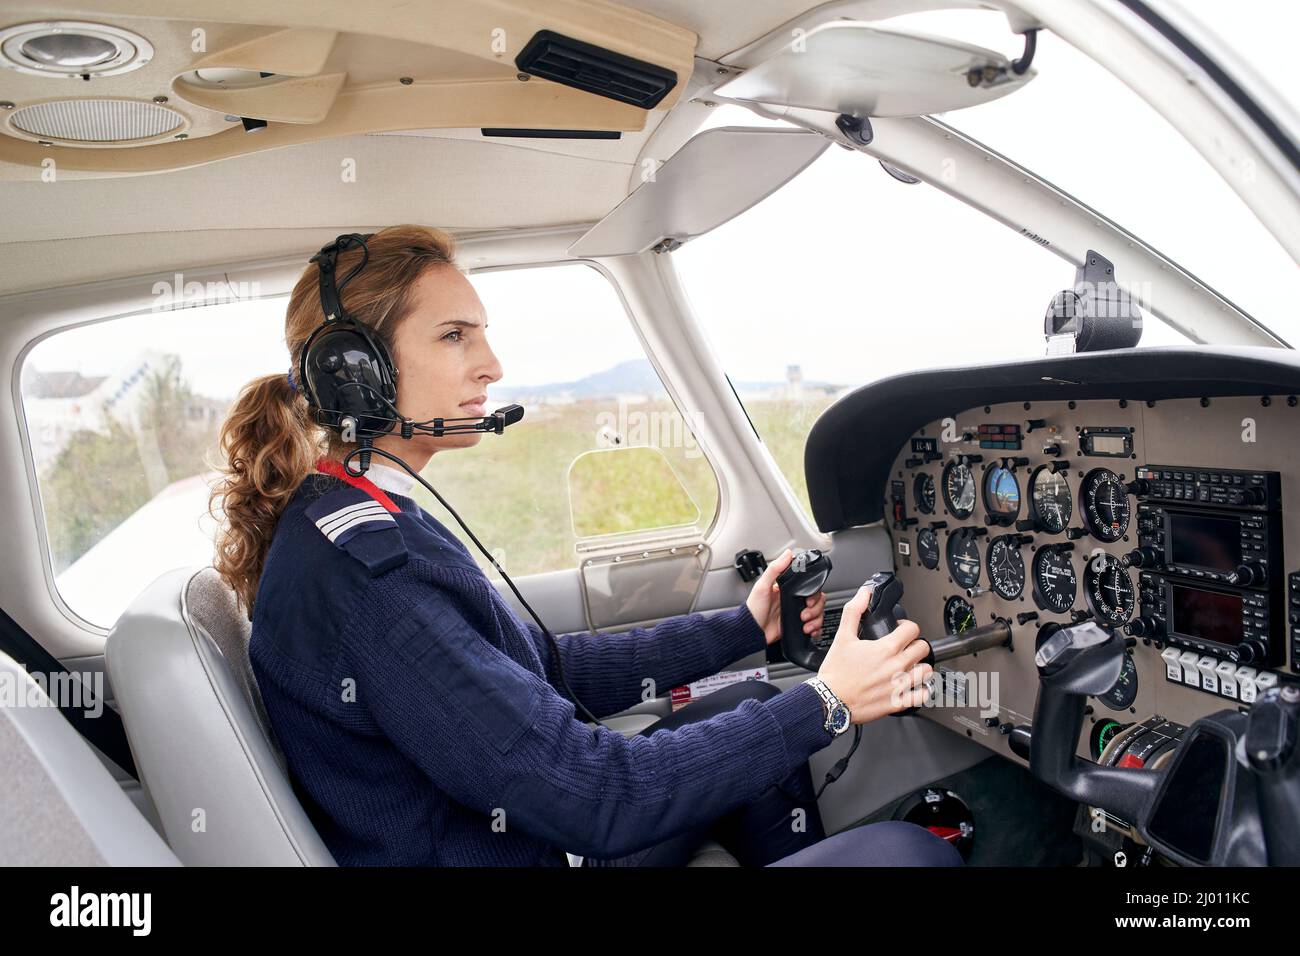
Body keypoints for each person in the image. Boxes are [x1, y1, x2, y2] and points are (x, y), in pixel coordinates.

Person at [210, 224, 960, 867]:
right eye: (453, 335)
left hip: (530, 838)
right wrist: (830, 701)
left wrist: (740, 629)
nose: (491, 364)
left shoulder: (358, 512)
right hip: (546, 842)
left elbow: (542, 671)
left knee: (755, 705)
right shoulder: (372, 580)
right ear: (355, 376)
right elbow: (597, 796)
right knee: (910, 853)